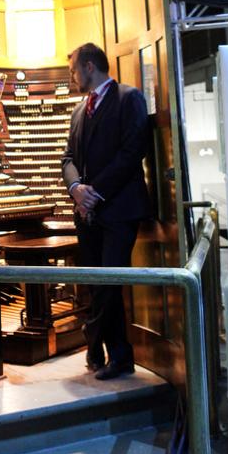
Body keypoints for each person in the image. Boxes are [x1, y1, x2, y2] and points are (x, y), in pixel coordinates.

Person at [62, 43, 150, 380]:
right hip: (88, 212)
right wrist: (75, 189)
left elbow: (132, 152)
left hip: (119, 208)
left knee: (110, 282)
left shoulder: (129, 98)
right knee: (97, 284)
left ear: (87, 66)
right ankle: (116, 354)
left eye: (72, 70)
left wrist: (94, 192)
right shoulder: (78, 111)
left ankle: (95, 339)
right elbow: (68, 158)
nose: (72, 78)